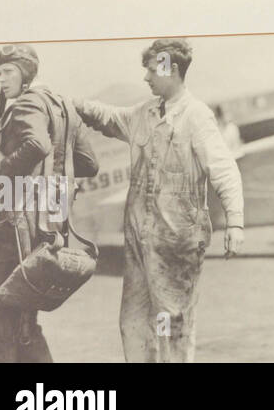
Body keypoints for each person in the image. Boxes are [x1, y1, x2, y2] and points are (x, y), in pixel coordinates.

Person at [75, 38, 244, 363]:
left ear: (173, 69)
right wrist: (74, 105)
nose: (146, 77)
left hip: (177, 244)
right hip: (140, 242)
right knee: (133, 323)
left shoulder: (197, 117)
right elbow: (109, 118)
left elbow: (225, 170)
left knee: (172, 326)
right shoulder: (144, 113)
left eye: (152, 70)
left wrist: (234, 221)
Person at [0, 44, 98, 363]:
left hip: (14, 230)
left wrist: (3, 162)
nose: (2, 80)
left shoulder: (28, 102)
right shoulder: (63, 107)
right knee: (26, 327)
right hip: (49, 231)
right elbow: (88, 164)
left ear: (25, 72)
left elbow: (38, 144)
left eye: (8, 72)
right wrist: (53, 178)